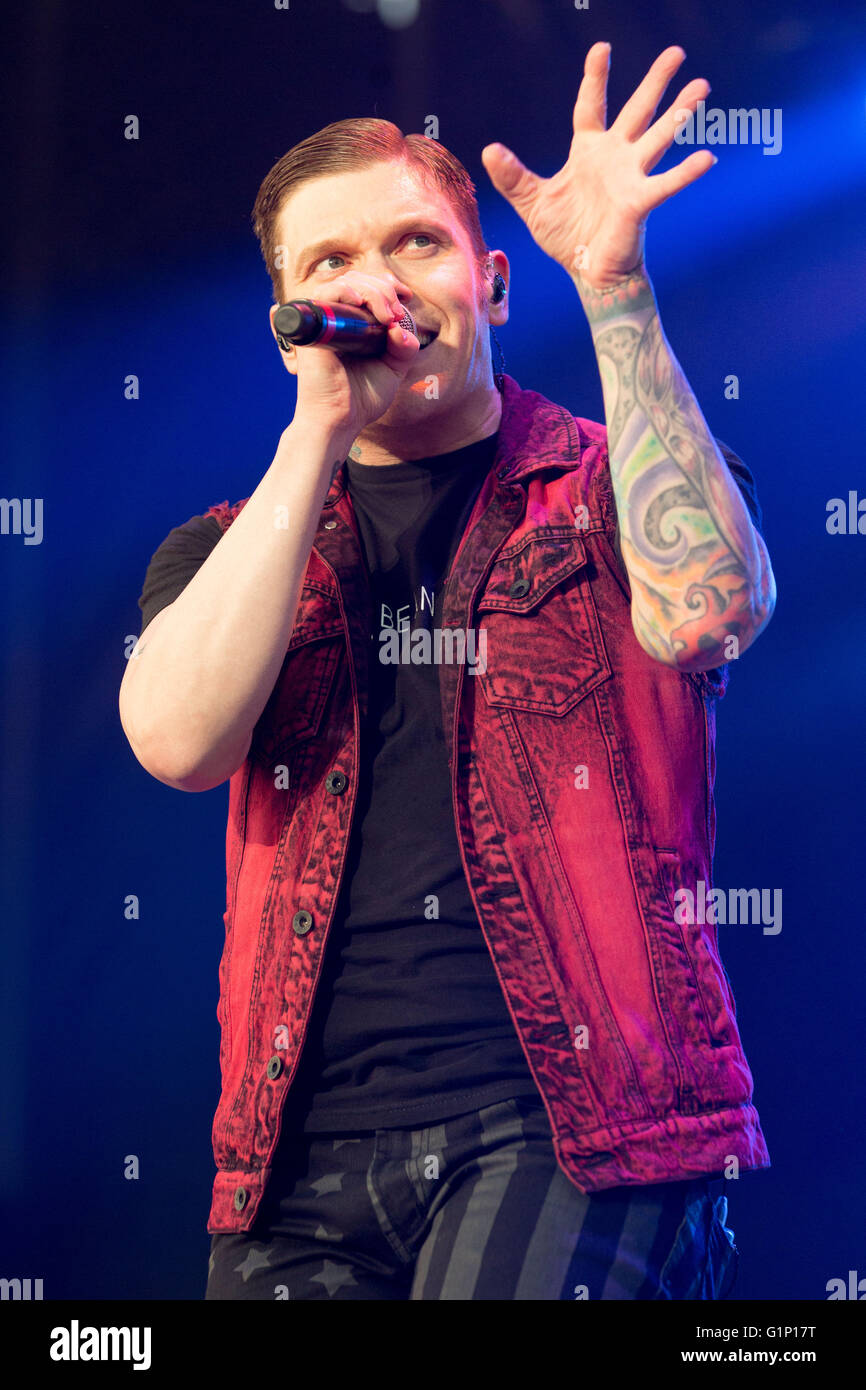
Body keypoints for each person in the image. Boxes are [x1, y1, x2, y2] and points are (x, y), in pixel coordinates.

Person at [119, 42, 776, 1300]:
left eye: (414, 245)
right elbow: (177, 743)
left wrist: (617, 285)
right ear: (289, 318)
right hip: (292, 1160)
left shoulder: (599, 487)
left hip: (578, 1125)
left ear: (491, 284)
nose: (376, 284)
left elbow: (707, 613)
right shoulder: (229, 543)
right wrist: (321, 423)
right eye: (330, 264)